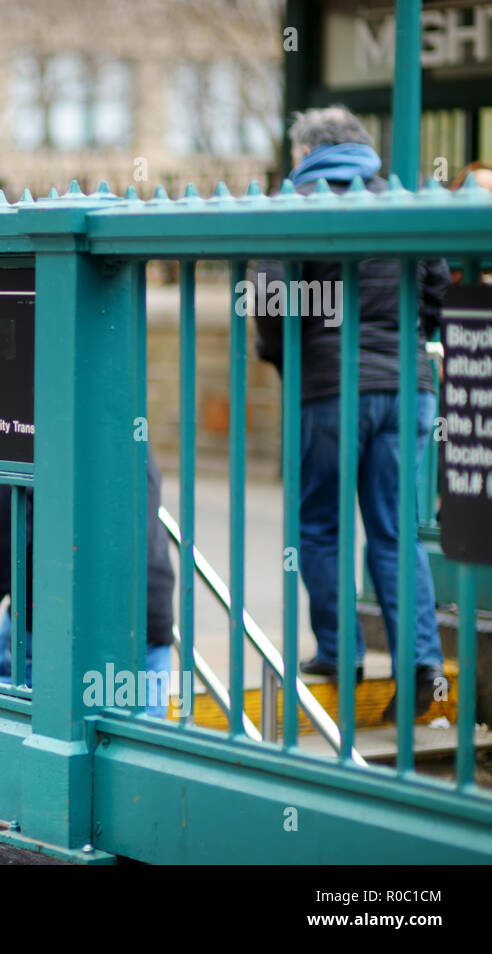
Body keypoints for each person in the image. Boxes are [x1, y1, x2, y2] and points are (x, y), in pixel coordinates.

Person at [253, 106, 448, 722]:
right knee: (396, 529)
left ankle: (341, 652)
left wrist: (285, 357)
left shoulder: (298, 200)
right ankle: (421, 664)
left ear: (306, 150)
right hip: (410, 386)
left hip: (330, 388)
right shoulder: (399, 199)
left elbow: (268, 296)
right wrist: (417, 339)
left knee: (320, 525)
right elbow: (440, 282)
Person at [0, 447, 176, 718]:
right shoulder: (127, 415)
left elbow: (1, 524)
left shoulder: (32, 413)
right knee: (139, 741)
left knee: (15, 723)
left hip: (54, 615)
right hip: (144, 612)